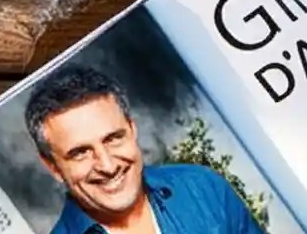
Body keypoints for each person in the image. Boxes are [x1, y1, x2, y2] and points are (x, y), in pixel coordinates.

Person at [24, 65, 264, 234]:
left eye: (113, 139)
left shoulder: (203, 187)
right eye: (80, 153)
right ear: (53, 166)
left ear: (132, 129)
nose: (107, 166)